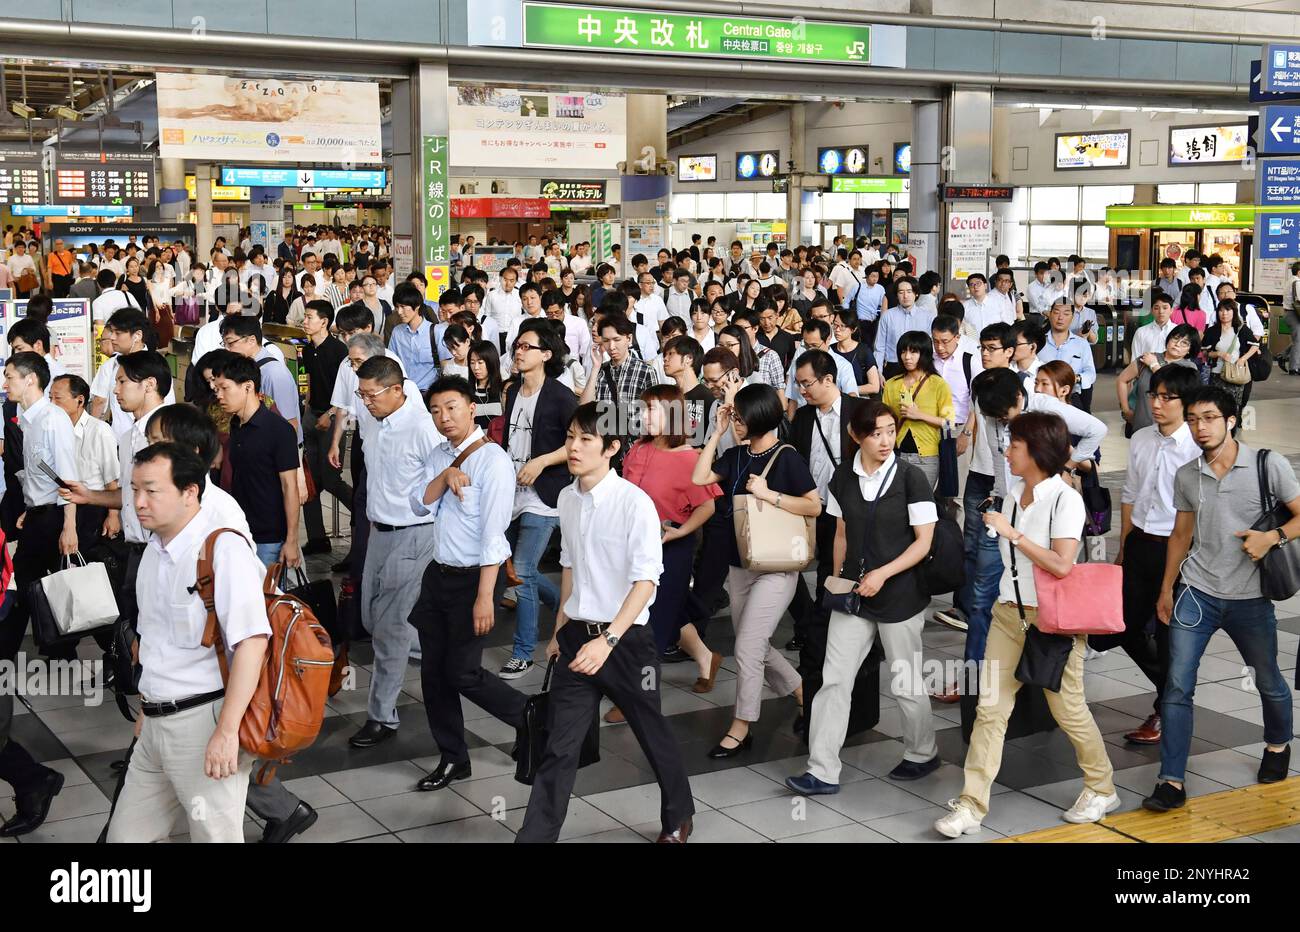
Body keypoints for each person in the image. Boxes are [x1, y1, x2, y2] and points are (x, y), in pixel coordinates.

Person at [516, 403, 694, 844]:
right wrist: (560, 629)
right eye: (571, 437)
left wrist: (608, 641)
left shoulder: (635, 505)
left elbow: (646, 582)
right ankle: (535, 836)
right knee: (559, 746)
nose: (573, 447)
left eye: (585, 440)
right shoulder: (566, 498)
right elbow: (571, 565)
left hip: (627, 643)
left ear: (612, 447)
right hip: (578, 637)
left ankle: (679, 814)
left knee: (651, 732)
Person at [935, 412, 1118, 837]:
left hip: (1052, 620)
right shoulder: (1016, 491)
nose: (1006, 451)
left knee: (1067, 708)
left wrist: (1012, 534)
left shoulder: (1064, 499)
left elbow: (1062, 564)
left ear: (1036, 450)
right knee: (990, 710)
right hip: (1007, 614)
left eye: (1014, 444)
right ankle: (970, 805)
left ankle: (1102, 785)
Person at [104, 443, 270, 843]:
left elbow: (252, 643)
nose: (139, 503)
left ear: (189, 491)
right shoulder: (153, 554)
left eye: (151, 490)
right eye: (133, 490)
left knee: (214, 837)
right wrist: (146, 706)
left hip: (202, 724)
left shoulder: (221, 551)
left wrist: (227, 732)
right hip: (154, 727)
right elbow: (153, 639)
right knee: (124, 838)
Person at [1144, 387, 1300, 812]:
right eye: (1193, 419)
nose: (1200, 427)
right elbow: (1180, 536)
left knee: (1267, 679)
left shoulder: (1268, 465)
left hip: (1251, 597)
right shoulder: (1188, 474)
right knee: (1176, 685)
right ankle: (1171, 781)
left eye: (1209, 418)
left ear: (1232, 420)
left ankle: (1276, 744)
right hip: (1197, 592)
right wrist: (1166, 588)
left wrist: (1273, 536)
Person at [787, 399, 940, 796]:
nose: (886, 440)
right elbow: (840, 533)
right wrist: (839, 580)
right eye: (876, 433)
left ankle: (923, 752)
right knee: (834, 680)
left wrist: (883, 574)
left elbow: (924, 542)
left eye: (891, 430)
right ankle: (821, 770)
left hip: (900, 594)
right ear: (856, 436)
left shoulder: (910, 478)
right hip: (854, 595)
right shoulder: (843, 477)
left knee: (905, 681)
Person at [407, 376, 528, 791]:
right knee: (433, 676)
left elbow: (495, 536)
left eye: (452, 407)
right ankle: (453, 759)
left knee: (462, 672)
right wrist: (445, 476)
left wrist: (484, 598)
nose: (445, 417)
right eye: (437, 410)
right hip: (438, 575)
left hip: (476, 579)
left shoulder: (492, 460)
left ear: (472, 408)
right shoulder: (440, 453)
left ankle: (530, 717)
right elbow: (417, 501)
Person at [692, 383, 817, 758]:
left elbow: (815, 507)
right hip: (741, 564)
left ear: (760, 418)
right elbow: (699, 479)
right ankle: (800, 691)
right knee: (754, 644)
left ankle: (742, 726)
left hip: (777, 566)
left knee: (746, 646)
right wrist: (716, 432)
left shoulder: (787, 457)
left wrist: (768, 495)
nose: (736, 423)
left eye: (740, 418)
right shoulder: (735, 455)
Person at [1094, 364, 1201, 747]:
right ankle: (1172, 691)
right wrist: (1123, 547)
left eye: (1166, 397)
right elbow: (1129, 495)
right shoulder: (1141, 439)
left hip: (1179, 553)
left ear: (1185, 401)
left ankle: (1166, 709)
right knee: (1119, 628)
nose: (1156, 403)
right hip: (1140, 544)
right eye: (1152, 395)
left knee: (1172, 635)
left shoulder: (1196, 448)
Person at [346, 356, 442, 749]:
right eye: (361, 394)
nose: (366, 402)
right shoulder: (374, 422)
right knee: (371, 618)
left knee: (388, 629)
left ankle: (381, 715)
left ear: (397, 390)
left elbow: (448, 477)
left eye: (372, 395)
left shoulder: (423, 428)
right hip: (378, 533)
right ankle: (440, 650)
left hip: (415, 534)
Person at [614, 384, 723, 707]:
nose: (643, 415)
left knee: (652, 624)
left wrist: (680, 532)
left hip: (670, 548)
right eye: (643, 408)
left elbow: (708, 506)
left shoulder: (690, 458)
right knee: (670, 610)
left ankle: (638, 695)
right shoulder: (638, 448)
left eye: (652, 410)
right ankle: (706, 657)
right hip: (633, 544)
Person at [499, 320, 576, 679]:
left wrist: (542, 461)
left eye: (527, 346)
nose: (519, 350)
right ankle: (566, 604)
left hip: (544, 497)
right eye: (518, 345)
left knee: (524, 570)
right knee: (514, 570)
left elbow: (577, 443)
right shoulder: (512, 390)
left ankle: (524, 652)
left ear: (546, 354)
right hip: (511, 492)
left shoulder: (561, 397)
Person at [786, 349, 866, 656]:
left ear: (828, 379)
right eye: (798, 384)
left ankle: (825, 635)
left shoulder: (860, 411)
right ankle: (813, 627)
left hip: (846, 510)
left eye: (806, 384)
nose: (801, 390)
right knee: (792, 568)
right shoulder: (803, 416)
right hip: (811, 505)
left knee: (835, 573)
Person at [1, 353, 80, 662]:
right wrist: (29, 507)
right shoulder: (30, 420)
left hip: (55, 516)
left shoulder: (52, 419)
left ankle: (69, 650)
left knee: (41, 582)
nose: (5, 383)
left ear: (30, 379)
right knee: (32, 581)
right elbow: (42, 472)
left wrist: (69, 525)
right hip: (38, 514)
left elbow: (67, 476)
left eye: (10, 377)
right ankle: (59, 651)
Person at [212, 356, 302, 570]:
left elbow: (290, 487)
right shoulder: (235, 425)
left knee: (264, 600)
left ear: (248, 387)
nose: (219, 396)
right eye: (216, 389)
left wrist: (291, 540)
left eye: (224, 388)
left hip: (268, 537)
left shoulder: (278, 429)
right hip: (238, 530)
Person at [298, 300, 350, 555]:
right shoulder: (308, 350)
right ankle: (317, 538)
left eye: (309, 317)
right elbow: (308, 380)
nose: (305, 321)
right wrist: (308, 407)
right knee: (310, 482)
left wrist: (329, 414)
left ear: (324, 322)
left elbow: (345, 392)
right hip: (312, 415)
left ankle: (361, 516)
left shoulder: (339, 351)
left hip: (333, 417)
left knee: (330, 479)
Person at [51, 373, 119, 545]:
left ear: (80, 401)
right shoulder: (55, 431)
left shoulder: (100, 431)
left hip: (93, 509)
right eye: (50, 398)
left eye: (57, 398)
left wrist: (113, 516)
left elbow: (112, 480)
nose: (52, 404)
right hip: (64, 508)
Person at [881, 331, 954, 489]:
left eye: (913, 351)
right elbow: (884, 420)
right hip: (896, 454)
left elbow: (949, 423)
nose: (907, 357)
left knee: (922, 506)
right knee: (897, 506)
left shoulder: (938, 384)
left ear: (925, 354)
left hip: (926, 457)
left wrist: (919, 415)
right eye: (903, 351)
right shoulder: (891, 384)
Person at [219, 316, 302, 443]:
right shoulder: (246, 369)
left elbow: (290, 424)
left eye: (230, 343)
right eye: (224, 344)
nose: (227, 349)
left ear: (252, 340)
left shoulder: (274, 373)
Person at [1116, 324, 1200, 435]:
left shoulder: (1189, 368)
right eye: (1175, 338)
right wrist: (1126, 410)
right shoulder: (1146, 358)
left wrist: (1154, 365)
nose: (1177, 344)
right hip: (1141, 427)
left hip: (1173, 432)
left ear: (1190, 349)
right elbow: (1122, 380)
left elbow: (1173, 386)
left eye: (1184, 343)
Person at [1038, 299, 1098, 411]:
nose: (1060, 317)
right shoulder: (1039, 342)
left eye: (1066, 314)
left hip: (1072, 397)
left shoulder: (1082, 344)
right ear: (1050, 314)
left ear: (1072, 317)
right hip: (1042, 398)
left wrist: (1077, 378)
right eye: (1056, 312)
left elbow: (1091, 373)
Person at [1202, 299, 1258, 415]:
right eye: (1221, 310)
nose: (1224, 313)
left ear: (1234, 312)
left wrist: (1243, 359)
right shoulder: (1212, 330)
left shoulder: (1241, 329)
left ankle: (1232, 428)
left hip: (1235, 373)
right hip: (1217, 374)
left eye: (1228, 310)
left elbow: (1255, 345)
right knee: (1217, 406)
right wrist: (1218, 354)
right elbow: (1206, 352)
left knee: (1233, 406)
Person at [387, 281, 439, 393]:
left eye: (403, 307)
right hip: (404, 392)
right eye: (397, 307)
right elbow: (392, 363)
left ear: (417, 306)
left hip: (429, 392)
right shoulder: (397, 332)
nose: (399, 312)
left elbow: (445, 366)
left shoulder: (436, 331)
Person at [830, 307, 881, 397]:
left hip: (860, 401)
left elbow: (875, 386)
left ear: (853, 329)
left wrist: (848, 389)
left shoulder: (863, 351)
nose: (837, 330)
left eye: (843, 326)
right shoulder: (830, 350)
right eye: (835, 325)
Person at [1131, 292, 1178, 360]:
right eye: (1156, 308)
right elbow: (1134, 359)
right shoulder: (1141, 332)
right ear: (1152, 310)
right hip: (1146, 369)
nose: (1161, 311)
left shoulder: (1177, 331)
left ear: (1171, 310)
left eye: (1165, 308)